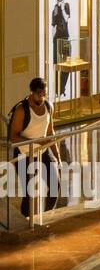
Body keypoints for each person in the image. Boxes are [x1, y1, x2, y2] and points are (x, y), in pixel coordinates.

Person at [8, 77, 58, 220]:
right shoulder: (21, 110)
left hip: (43, 151)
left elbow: (50, 132)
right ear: (31, 92)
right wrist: (36, 142)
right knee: (30, 193)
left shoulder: (48, 106)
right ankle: (26, 222)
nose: (42, 96)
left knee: (55, 186)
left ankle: (48, 217)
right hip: (24, 155)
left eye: (44, 93)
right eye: (39, 93)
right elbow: (13, 137)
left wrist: (57, 156)